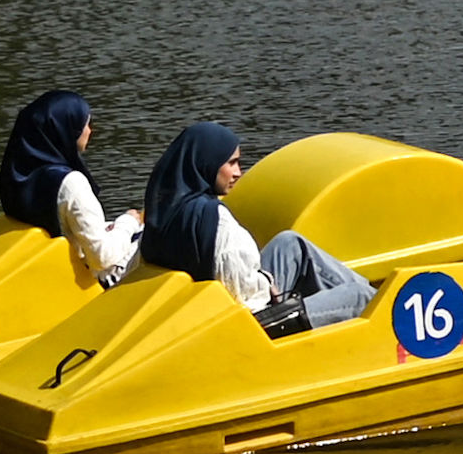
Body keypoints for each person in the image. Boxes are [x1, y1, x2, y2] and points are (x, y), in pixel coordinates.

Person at [138, 121, 375, 335]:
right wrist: (267, 283)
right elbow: (246, 296)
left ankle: (375, 302)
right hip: (252, 325)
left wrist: (264, 278)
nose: (238, 173)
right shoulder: (215, 220)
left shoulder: (162, 214)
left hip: (207, 308)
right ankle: (385, 311)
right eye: (231, 163)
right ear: (206, 164)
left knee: (290, 244)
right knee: (360, 296)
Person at [0, 89, 141, 288]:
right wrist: (129, 222)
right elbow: (102, 257)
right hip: (88, 279)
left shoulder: (15, 178)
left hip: (47, 268)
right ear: (65, 128)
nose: (90, 130)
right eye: (86, 124)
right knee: (154, 233)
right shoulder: (70, 183)